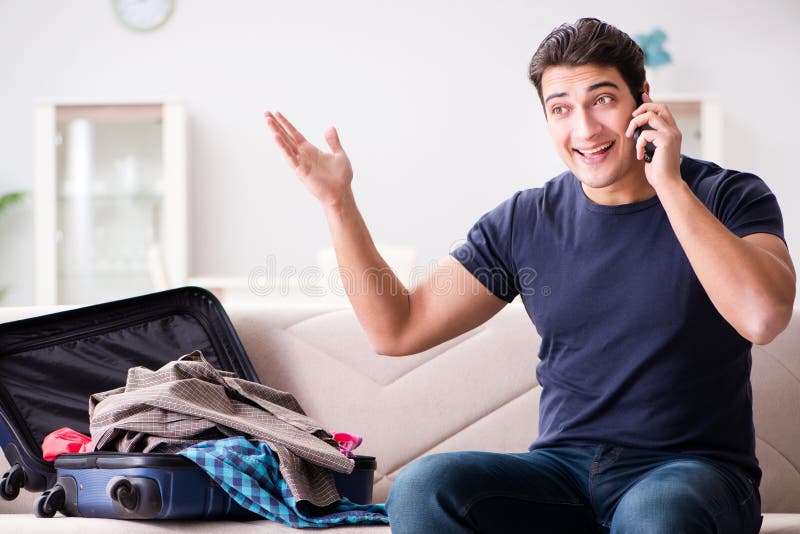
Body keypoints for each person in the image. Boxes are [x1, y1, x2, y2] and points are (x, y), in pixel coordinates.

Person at [264, 17, 795, 534]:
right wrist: (337, 203)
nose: (584, 128)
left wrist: (670, 185)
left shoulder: (728, 196)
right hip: (565, 472)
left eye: (602, 100)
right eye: (561, 108)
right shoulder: (525, 220)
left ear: (643, 101)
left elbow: (763, 317)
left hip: (693, 473)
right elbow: (396, 329)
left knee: (654, 514)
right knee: (424, 487)